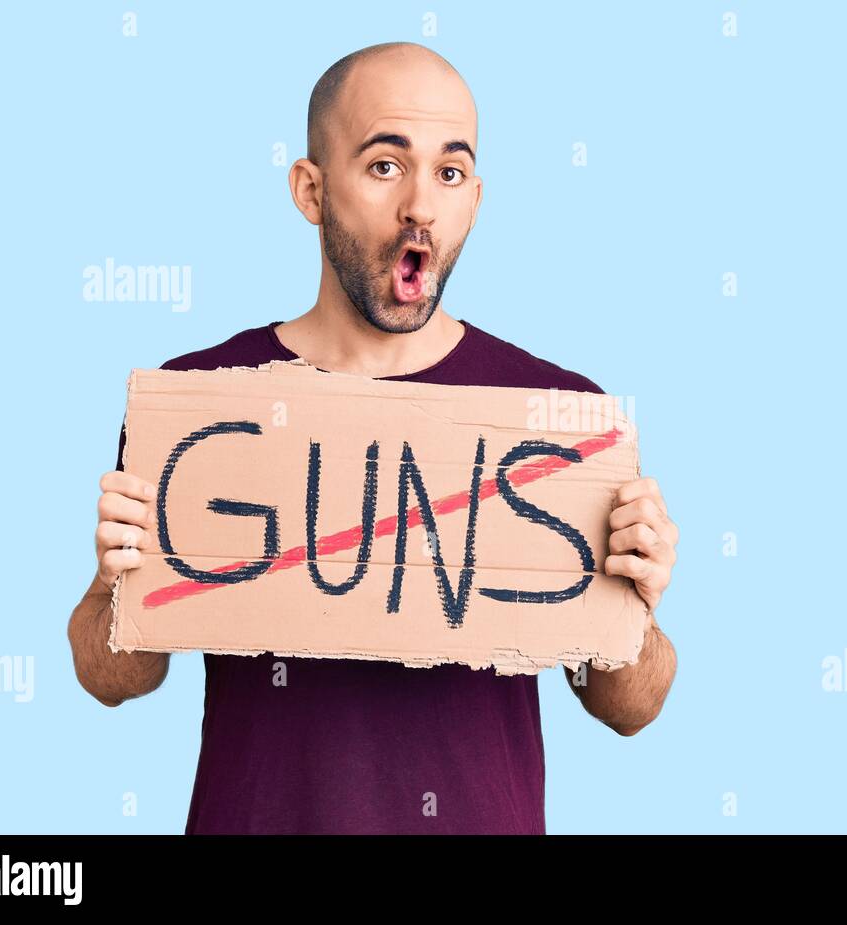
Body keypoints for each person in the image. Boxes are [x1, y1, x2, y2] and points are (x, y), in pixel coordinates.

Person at [67, 42, 678, 834]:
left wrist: (634, 601)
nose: (421, 204)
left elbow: (629, 708)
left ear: (476, 199)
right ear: (311, 190)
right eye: (386, 166)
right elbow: (114, 675)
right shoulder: (199, 404)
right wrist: (113, 581)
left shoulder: (560, 419)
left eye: (450, 173)